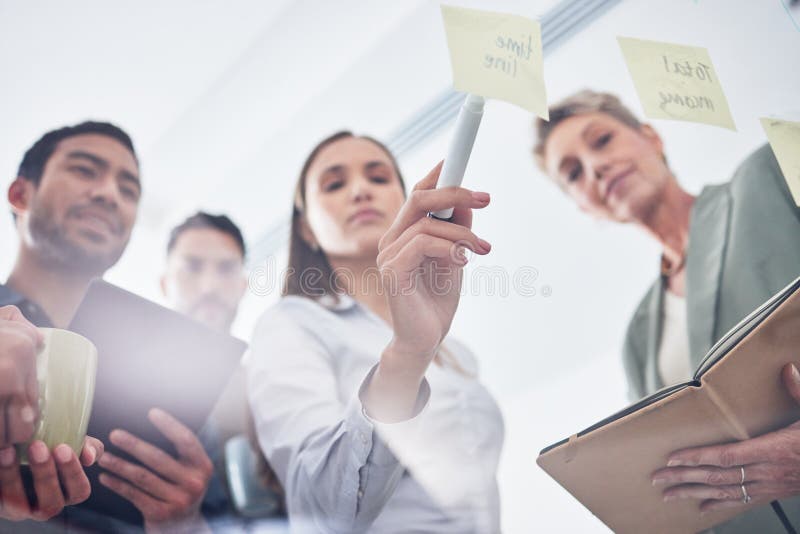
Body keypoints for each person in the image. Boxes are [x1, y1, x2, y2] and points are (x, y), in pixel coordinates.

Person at [533, 89, 800, 533]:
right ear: (582, 206)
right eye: (574, 174)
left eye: (601, 141)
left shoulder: (768, 174)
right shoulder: (637, 341)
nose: (595, 168)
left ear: (651, 137)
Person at [246, 131, 503, 533]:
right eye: (334, 184)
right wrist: (408, 355)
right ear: (308, 229)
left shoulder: (457, 354)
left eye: (379, 178)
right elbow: (321, 506)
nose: (361, 190)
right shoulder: (291, 324)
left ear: (405, 204)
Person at [2, 122, 214, 533]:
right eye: (84, 170)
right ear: (20, 194)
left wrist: (184, 523)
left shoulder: (168, 381)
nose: (109, 195)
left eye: (128, 190)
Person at [161, 211, 286, 528]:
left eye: (226, 269)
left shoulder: (275, 392)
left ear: (244, 285)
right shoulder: (127, 388)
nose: (209, 286)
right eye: (192, 267)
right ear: (164, 283)